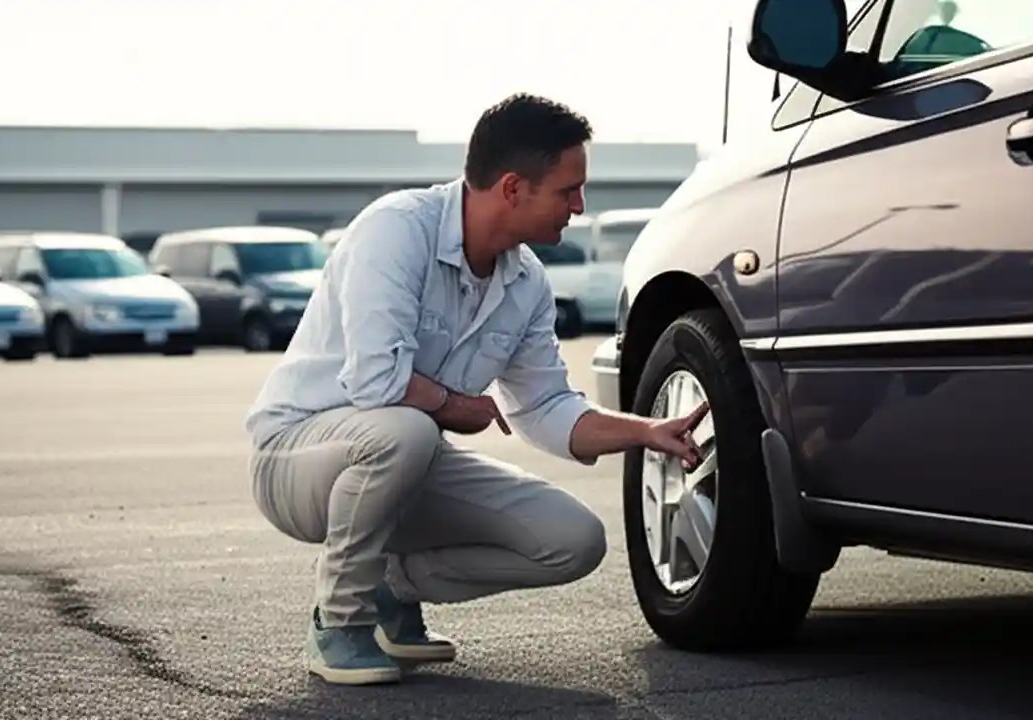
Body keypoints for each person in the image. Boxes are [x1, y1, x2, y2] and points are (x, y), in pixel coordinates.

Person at [244, 93, 708, 686]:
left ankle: (390, 587)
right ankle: (341, 621)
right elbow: (375, 382)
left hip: (401, 461)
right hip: (296, 458)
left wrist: (645, 432)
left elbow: (544, 408)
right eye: (569, 190)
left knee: (573, 540)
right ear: (513, 188)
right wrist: (454, 406)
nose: (580, 206)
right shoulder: (396, 231)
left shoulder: (527, 282)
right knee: (407, 430)